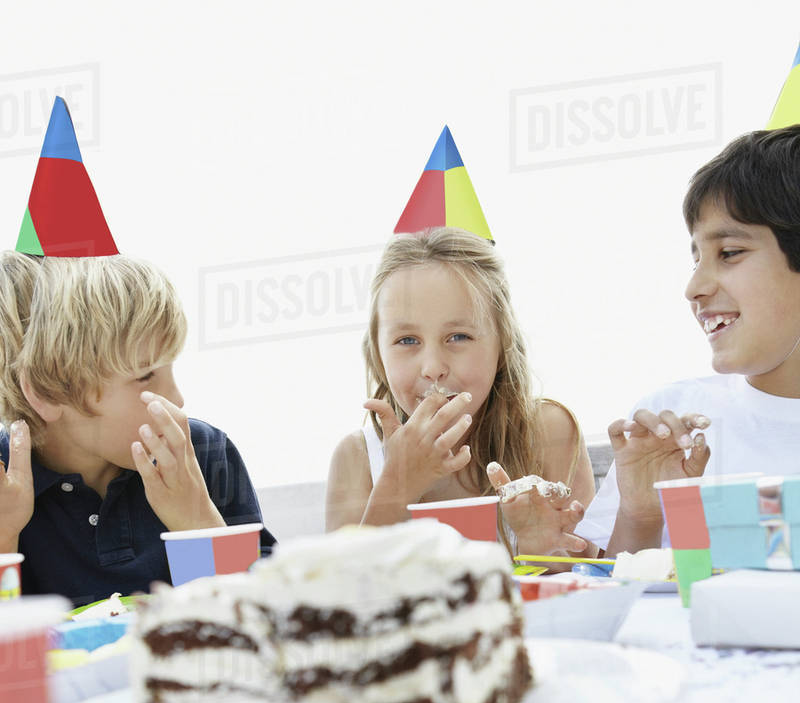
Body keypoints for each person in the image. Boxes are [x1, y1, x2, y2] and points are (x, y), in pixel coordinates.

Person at [0, 252, 275, 605]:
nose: (176, 397)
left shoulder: (202, 454)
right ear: (47, 393)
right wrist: (5, 540)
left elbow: (259, 620)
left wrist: (196, 521)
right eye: (146, 376)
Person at [577, 126, 800, 557]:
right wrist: (642, 516)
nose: (694, 287)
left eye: (729, 253)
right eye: (696, 257)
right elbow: (610, 592)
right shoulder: (673, 422)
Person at [325, 227, 594, 555]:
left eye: (458, 337)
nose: (433, 367)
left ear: (503, 344)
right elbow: (338, 597)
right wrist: (396, 486)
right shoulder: (358, 458)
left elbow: (595, 576)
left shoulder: (548, 431)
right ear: (377, 356)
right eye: (407, 341)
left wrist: (544, 555)